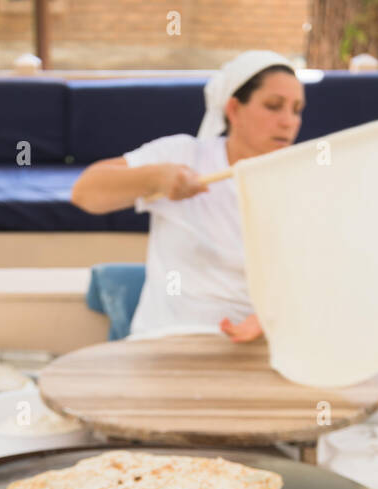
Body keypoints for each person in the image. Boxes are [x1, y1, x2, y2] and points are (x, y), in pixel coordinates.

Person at [71, 50, 305, 341]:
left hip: (258, 347)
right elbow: (85, 192)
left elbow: (314, 275)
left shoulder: (301, 184)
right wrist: (155, 177)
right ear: (233, 109)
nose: (289, 122)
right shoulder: (183, 154)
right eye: (273, 106)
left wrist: (270, 317)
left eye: (296, 110)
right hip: (166, 339)